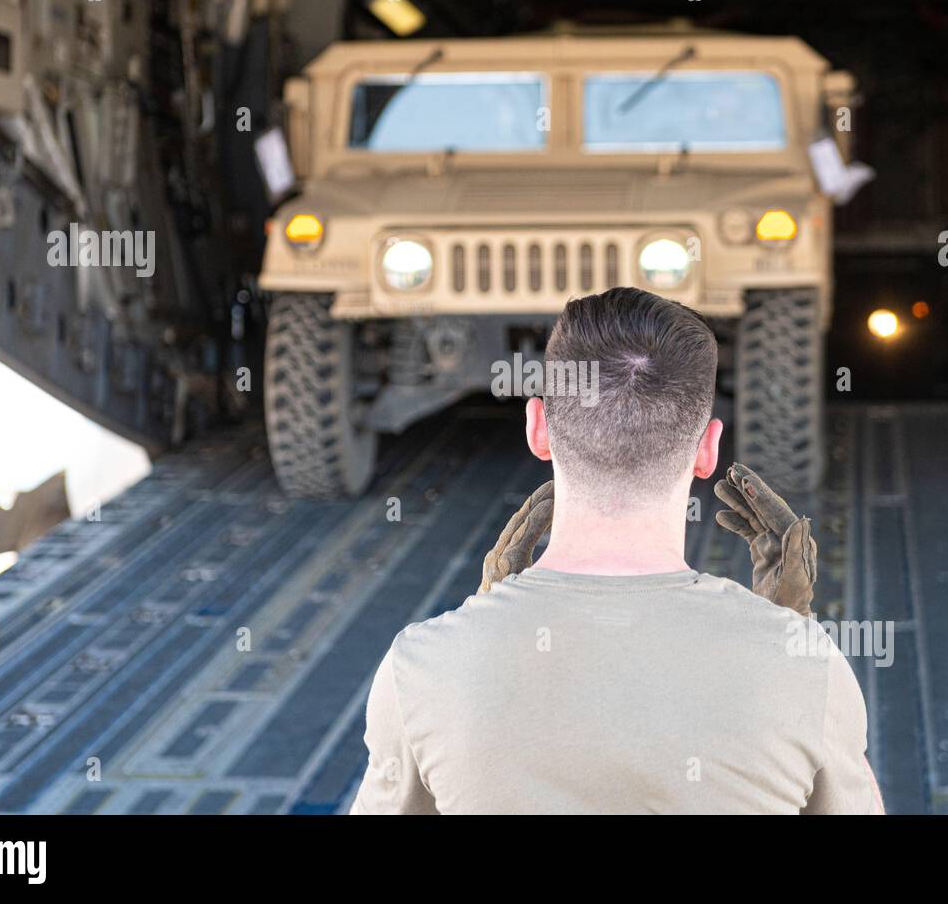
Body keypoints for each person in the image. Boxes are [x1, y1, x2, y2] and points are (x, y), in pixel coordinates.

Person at [350, 287, 884, 814]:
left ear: (537, 429)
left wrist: (481, 646)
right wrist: (783, 641)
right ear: (708, 448)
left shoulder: (419, 668)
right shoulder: (811, 673)